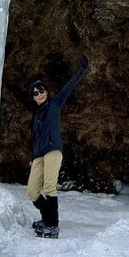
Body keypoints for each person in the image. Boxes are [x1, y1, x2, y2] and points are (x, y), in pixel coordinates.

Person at [26, 56, 89, 238]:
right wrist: (32, 158)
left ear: (46, 91)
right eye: (36, 92)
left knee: (49, 187)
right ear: (33, 98)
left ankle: (52, 224)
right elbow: (35, 139)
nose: (40, 94)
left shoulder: (55, 104)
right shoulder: (35, 116)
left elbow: (68, 88)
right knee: (32, 191)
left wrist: (82, 71)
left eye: (42, 90)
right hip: (38, 155)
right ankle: (47, 217)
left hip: (53, 151)